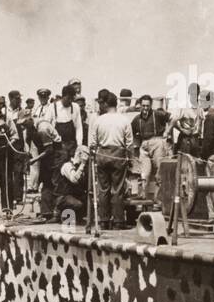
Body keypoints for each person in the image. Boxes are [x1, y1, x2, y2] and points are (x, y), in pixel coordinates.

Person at [90, 88, 134, 230]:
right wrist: (130, 159)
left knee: (103, 189)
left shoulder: (98, 120)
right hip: (118, 155)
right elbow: (129, 143)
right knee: (118, 189)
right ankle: (118, 221)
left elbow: (92, 142)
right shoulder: (124, 120)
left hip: (102, 155)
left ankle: (103, 221)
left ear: (106, 104)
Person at [131, 93, 170, 206]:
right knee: (144, 172)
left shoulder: (157, 114)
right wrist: (135, 148)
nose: (145, 108)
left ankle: (158, 198)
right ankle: (143, 195)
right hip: (144, 144)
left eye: (147, 106)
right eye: (143, 105)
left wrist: (168, 132)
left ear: (151, 105)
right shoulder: (136, 119)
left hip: (157, 142)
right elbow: (132, 134)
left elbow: (173, 117)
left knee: (160, 171)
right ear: (140, 105)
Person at [32, 114, 63, 221]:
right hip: (48, 156)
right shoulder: (35, 127)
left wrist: (35, 159)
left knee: (55, 183)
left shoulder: (43, 129)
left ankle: (57, 214)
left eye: (24, 124)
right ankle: (46, 212)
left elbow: (49, 149)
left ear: (30, 120)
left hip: (56, 154)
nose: (23, 127)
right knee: (45, 181)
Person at [54, 145, 89, 224]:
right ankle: (64, 216)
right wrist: (83, 163)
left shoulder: (82, 167)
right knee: (77, 204)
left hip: (75, 195)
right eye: (86, 154)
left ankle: (77, 217)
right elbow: (74, 179)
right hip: (64, 196)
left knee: (90, 201)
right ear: (79, 154)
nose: (88, 158)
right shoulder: (67, 165)